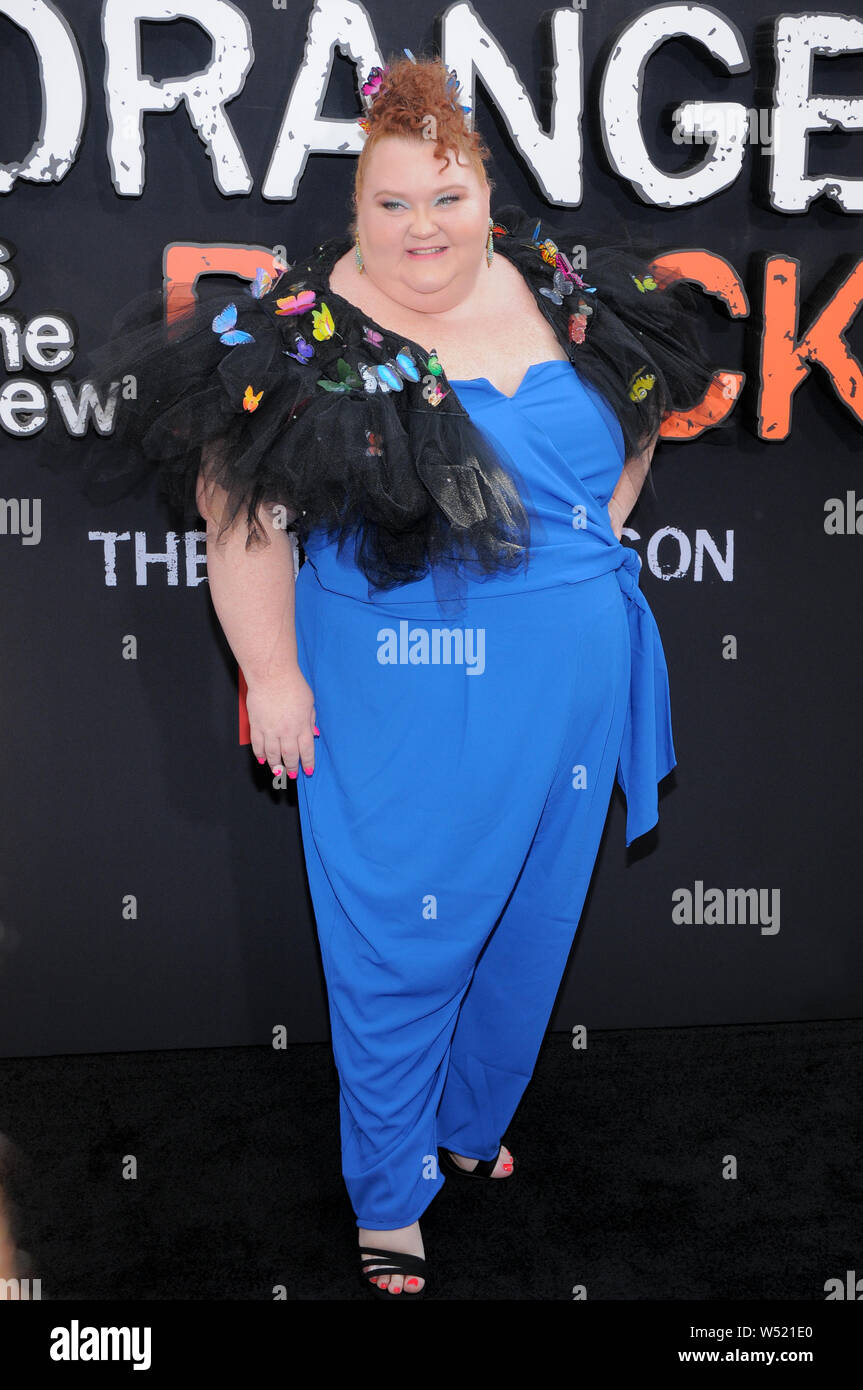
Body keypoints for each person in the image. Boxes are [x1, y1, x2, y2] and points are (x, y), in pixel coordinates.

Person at [75, 52, 722, 1299]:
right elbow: (238, 516)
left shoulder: (563, 288)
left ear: (482, 193)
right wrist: (272, 674)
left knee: (531, 927)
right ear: (356, 205)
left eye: (445, 198)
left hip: (573, 679)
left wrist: (587, 539)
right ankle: (388, 1192)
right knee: (399, 946)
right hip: (398, 685)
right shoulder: (299, 335)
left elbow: (638, 408)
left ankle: (470, 1122)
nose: (423, 227)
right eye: (392, 202)